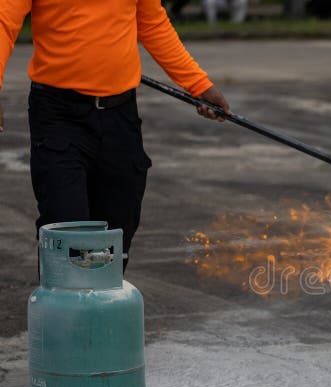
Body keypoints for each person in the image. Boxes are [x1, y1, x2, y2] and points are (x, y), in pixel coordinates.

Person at [0, 0, 230, 271]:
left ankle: (102, 309)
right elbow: (5, 22)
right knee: (66, 230)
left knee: (116, 232)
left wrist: (198, 83)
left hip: (120, 116)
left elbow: (152, 23)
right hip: (59, 115)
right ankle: (63, 309)